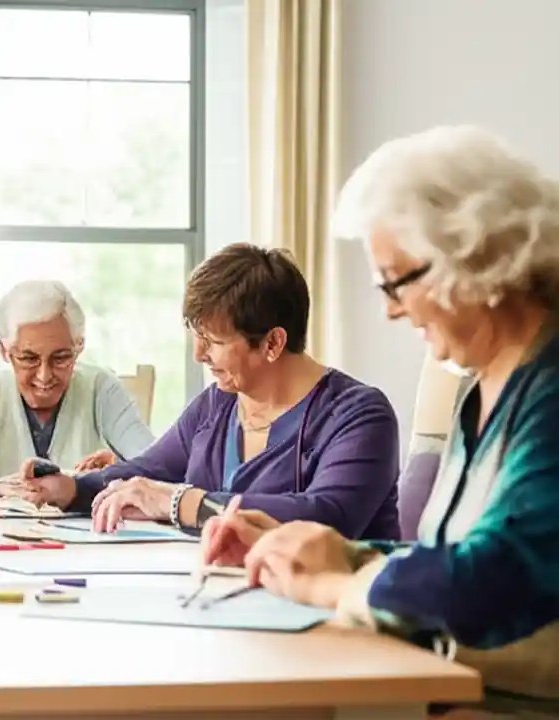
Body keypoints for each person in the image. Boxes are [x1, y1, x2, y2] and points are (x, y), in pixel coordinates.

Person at [203, 126, 559, 710]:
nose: (392, 309)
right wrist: (333, 551)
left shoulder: (550, 387)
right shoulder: (480, 386)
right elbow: (456, 559)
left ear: (474, 257)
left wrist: (334, 584)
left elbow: (495, 581)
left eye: (395, 282)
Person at [25, 244, 402, 538]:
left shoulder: (358, 415)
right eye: (196, 336)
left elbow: (326, 517)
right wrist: (69, 488)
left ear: (272, 343)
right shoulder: (217, 405)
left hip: (332, 620)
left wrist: (179, 502)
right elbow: (147, 473)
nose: (198, 354)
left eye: (213, 341)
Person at [0, 280, 153, 477]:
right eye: (28, 358)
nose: (44, 376)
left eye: (60, 358)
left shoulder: (101, 388)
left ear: (79, 346)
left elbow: (158, 467)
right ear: (4, 351)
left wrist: (120, 468)